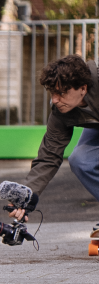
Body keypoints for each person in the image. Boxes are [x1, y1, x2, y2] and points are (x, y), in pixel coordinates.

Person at [7, 54, 99, 229]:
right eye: (52, 93)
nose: (55, 100)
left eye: (61, 93)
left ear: (83, 88)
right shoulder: (60, 112)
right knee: (81, 160)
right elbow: (49, 156)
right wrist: (26, 197)